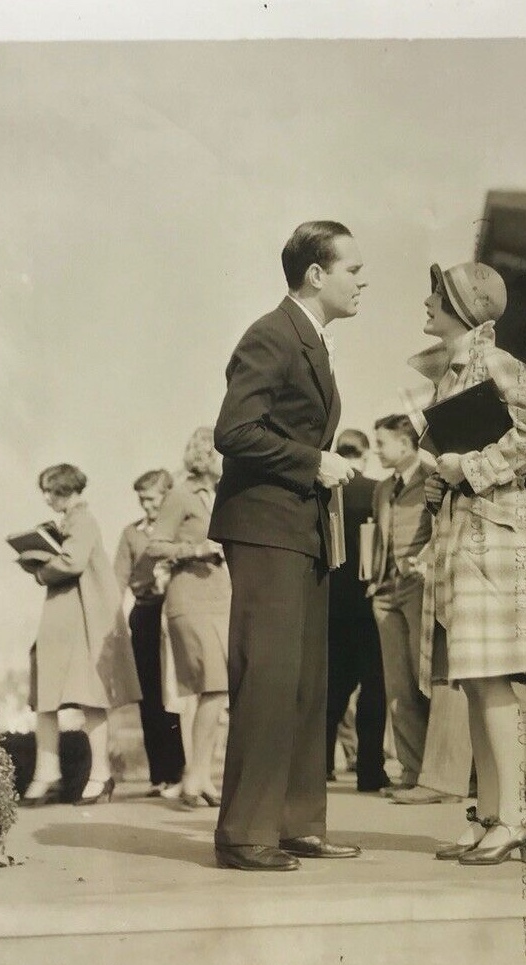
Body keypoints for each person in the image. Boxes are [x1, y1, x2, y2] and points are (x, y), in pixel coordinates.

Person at [208, 220, 367, 872]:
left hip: (298, 534)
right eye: (353, 270)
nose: (363, 283)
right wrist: (313, 462)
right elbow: (233, 432)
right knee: (269, 682)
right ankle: (247, 835)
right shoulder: (271, 335)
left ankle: (295, 824)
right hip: (266, 530)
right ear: (316, 274)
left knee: (305, 685)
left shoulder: (311, 343)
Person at [409, 261, 526, 866]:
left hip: (497, 526)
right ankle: (491, 816)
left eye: (438, 295)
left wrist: (467, 468)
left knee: (492, 673)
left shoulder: (502, 366)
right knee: (474, 679)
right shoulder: (449, 375)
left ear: (463, 307)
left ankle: (516, 820)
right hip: (462, 527)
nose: (427, 303)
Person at [17, 464, 141, 807]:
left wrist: (41, 570)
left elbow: (72, 561)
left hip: (83, 619)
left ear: (66, 490)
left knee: (91, 696)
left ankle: (100, 774)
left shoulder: (83, 521)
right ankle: (47, 772)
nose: (47, 498)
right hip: (64, 616)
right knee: (47, 695)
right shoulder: (69, 522)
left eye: (52, 491)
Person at [145, 428, 231, 809]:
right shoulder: (179, 495)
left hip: (219, 597)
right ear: (210, 456)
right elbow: (154, 545)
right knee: (213, 684)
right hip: (190, 600)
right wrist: (197, 549)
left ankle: (202, 776)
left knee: (218, 688)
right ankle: (193, 779)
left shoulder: (218, 496)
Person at [365, 414, 433, 794]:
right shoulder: (382, 489)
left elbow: (444, 528)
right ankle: (412, 770)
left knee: (427, 682)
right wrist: (374, 581)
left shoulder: (432, 479)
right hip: (385, 593)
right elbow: (377, 537)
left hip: (419, 589)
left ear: (405, 444)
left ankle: (442, 773)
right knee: (398, 686)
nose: (377, 449)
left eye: (382, 442)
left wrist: (423, 561)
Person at [324, 428, 391, 792]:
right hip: (369, 601)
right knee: (373, 688)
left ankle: (321, 766)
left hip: (332, 604)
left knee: (332, 687)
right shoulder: (376, 491)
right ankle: (369, 770)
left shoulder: (325, 493)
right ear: (364, 455)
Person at [114, 468, 186, 798]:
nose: (146, 506)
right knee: (150, 696)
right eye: (142, 500)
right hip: (144, 612)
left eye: (152, 499)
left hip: (175, 610)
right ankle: (160, 775)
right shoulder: (132, 533)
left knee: (176, 693)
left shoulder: (181, 528)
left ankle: (181, 771)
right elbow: (118, 579)